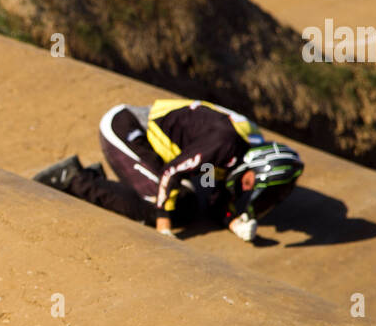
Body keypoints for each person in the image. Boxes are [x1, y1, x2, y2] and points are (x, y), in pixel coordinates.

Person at [34, 100, 304, 243]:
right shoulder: (224, 142)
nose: (246, 188)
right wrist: (164, 230)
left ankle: (98, 182)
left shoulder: (239, 151)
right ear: (254, 164)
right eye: (251, 182)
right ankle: (74, 179)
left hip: (151, 148)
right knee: (165, 208)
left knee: (185, 206)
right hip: (125, 130)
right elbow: (171, 173)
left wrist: (234, 221)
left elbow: (212, 192)